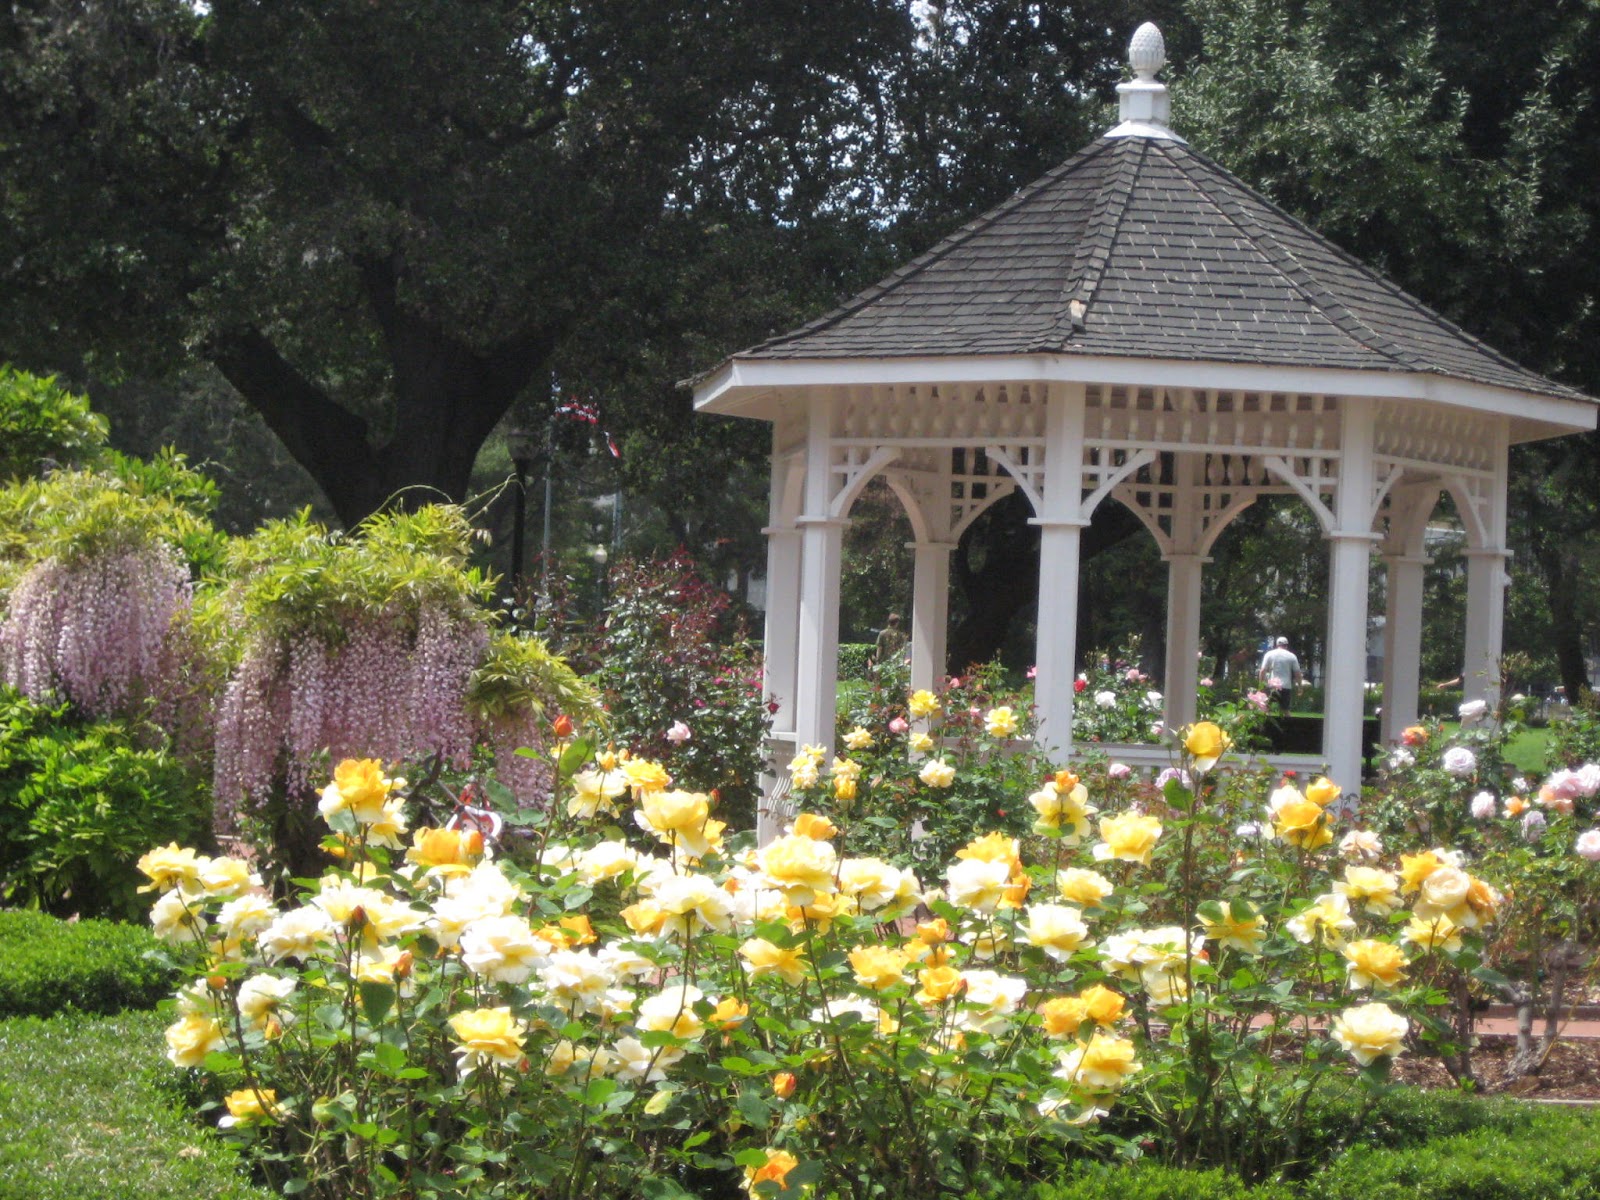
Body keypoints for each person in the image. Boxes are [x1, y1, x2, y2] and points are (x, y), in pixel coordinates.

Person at [1258, 636, 1301, 714]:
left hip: (1272, 686)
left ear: (1277, 645)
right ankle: (1288, 722)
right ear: (1286, 645)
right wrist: (1299, 686)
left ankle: (1266, 721)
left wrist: (1261, 686)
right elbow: (1297, 673)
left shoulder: (1269, 654)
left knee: (1266, 709)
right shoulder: (1292, 656)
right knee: (1285, 710)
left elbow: (1262, 671)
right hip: (1286, 686)